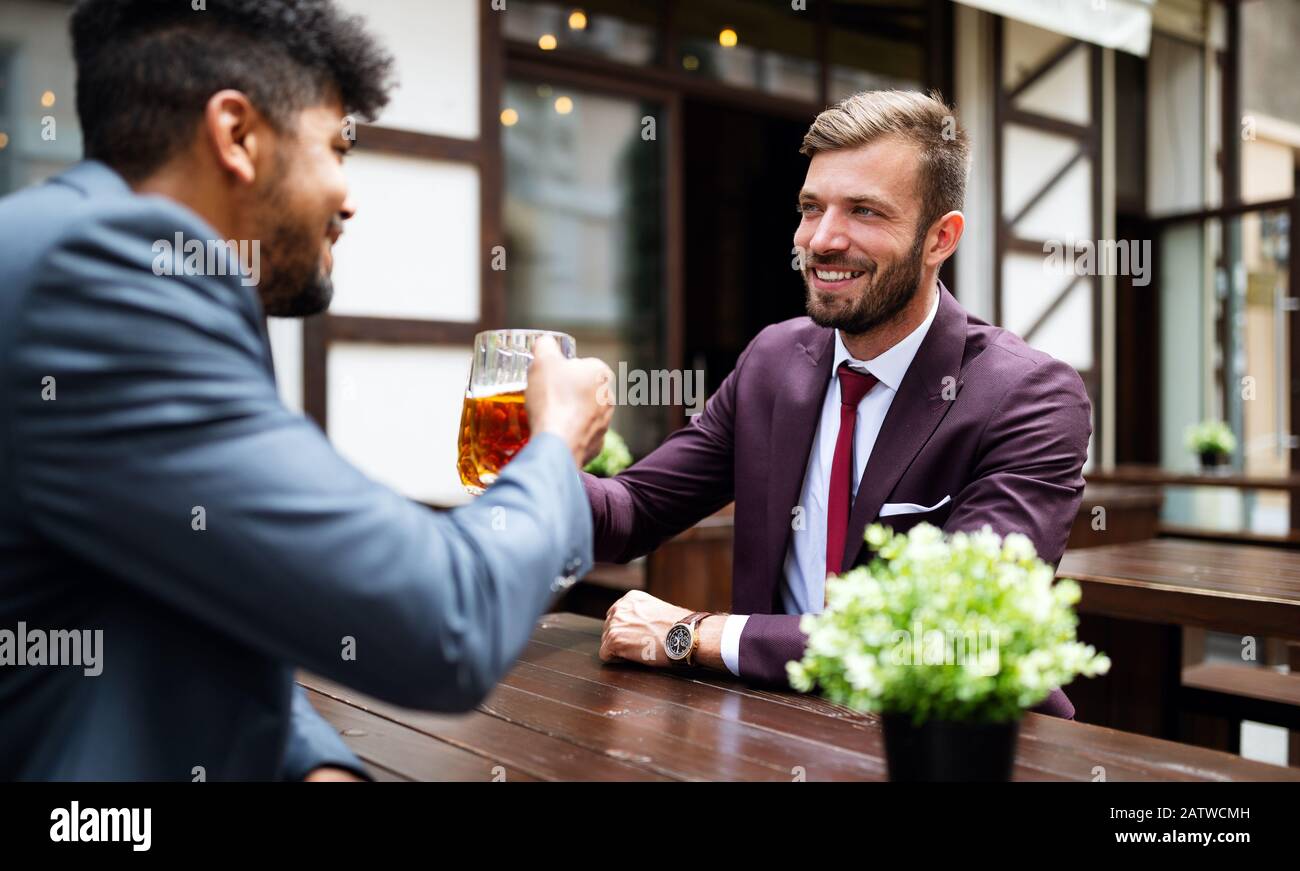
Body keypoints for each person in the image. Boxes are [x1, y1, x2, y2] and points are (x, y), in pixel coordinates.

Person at [0, 0, 612, 780]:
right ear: (237, 135)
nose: (348, 196)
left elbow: (191, 590)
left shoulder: (92, 259)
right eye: (337, 146)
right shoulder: (102, 277)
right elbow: (445, 623)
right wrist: (556, 440)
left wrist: (314, 762)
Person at [589, 90, 1089, 719]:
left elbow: (949, 636)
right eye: (810, 208)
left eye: (864, 211)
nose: (821, 240)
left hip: (947, 745)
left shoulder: (1029, 396)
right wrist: (529, 457)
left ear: (940, 238)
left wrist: (698, 634)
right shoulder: (772, 361)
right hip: (779, 730)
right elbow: (633, 510)